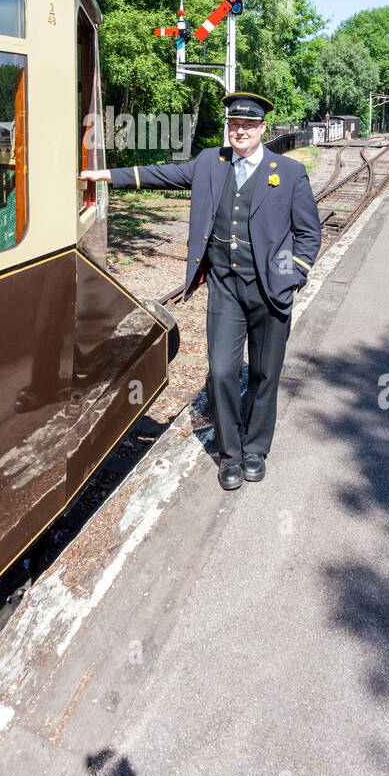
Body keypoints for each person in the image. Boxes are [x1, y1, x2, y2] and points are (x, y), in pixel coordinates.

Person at [81, 92, 322, 489]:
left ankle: (255, 449)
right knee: (224, 372)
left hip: (270, 294)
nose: (239, 131)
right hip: (225, 289)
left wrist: (292, 274)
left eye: (247, 125)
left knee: (264, 374)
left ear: (262, 128)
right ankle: (229, 455)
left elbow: (308, 235)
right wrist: (106, 176)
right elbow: (162, 175)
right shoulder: (211, 162)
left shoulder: (290, 173)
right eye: (233, 125)